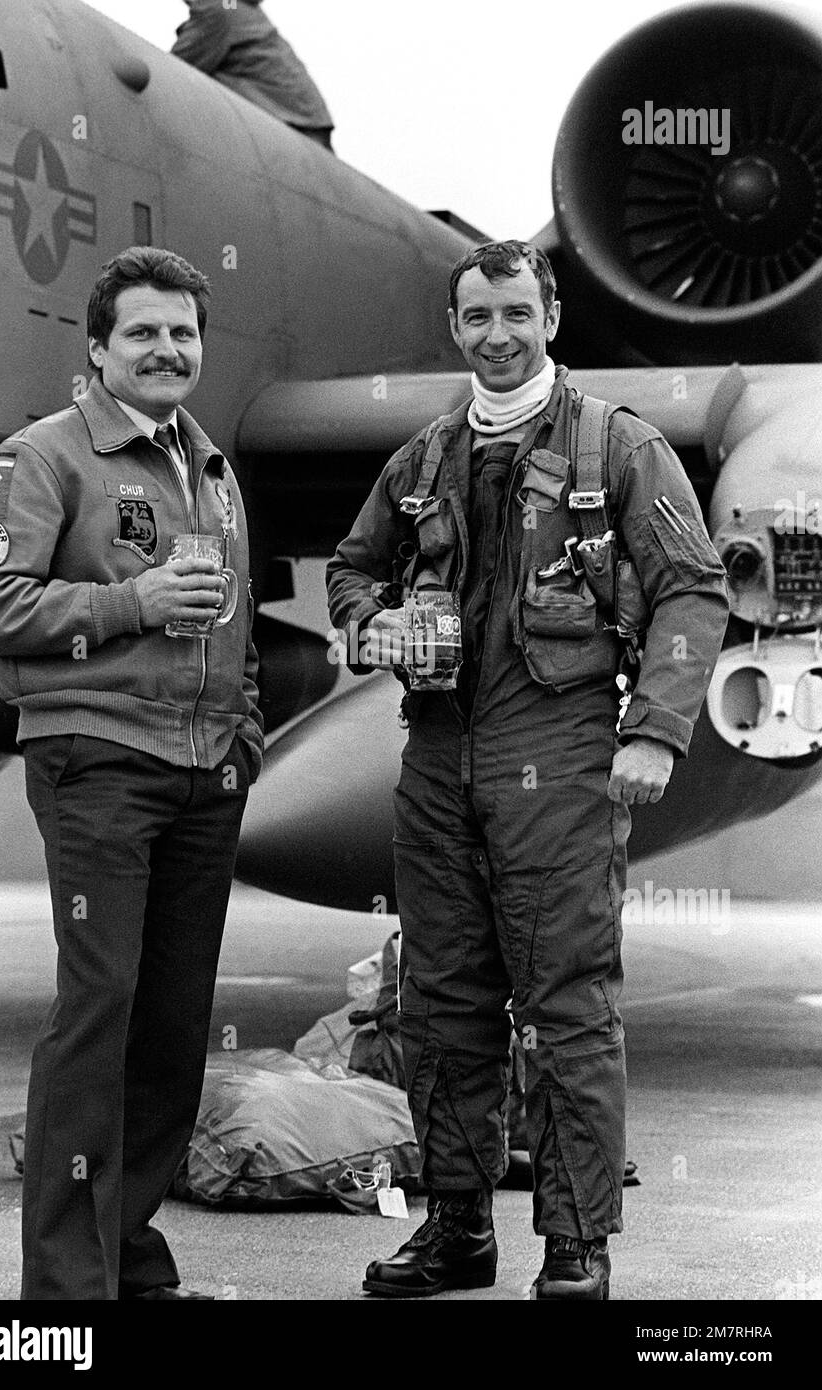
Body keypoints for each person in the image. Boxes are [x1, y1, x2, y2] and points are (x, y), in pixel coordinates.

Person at [326, 240, 729, 1300]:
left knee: (564, 1007)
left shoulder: (619, 449)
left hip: (556, 750)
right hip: (438, 754)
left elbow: (691, 588)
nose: (496, 335)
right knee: (441, 1000)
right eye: (475, 317)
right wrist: (367, 625)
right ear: (453, 328)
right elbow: (351, 565)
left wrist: (654, 730)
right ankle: (457, 1227)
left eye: (515, 312)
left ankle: (574, 1243)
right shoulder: (419, 460)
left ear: (550, 316)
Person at [0, 246, 264, 1300]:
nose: (166, 349)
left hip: (202, 770)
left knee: (171, 1032)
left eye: (183, 333)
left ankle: (126, 1254)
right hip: (98, 765)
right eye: (143, 332)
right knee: (99, 1014)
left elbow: (234, 626)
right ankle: (66, 1293)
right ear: (96, 348)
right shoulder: (37, 461)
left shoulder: (208, 466)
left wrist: (245, 733)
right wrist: (129, 606)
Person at [172, 0, 335, 149]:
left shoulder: (220, 8)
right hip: (303, 120)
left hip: (292, 127)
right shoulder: (231, 4)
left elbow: (175, 71)